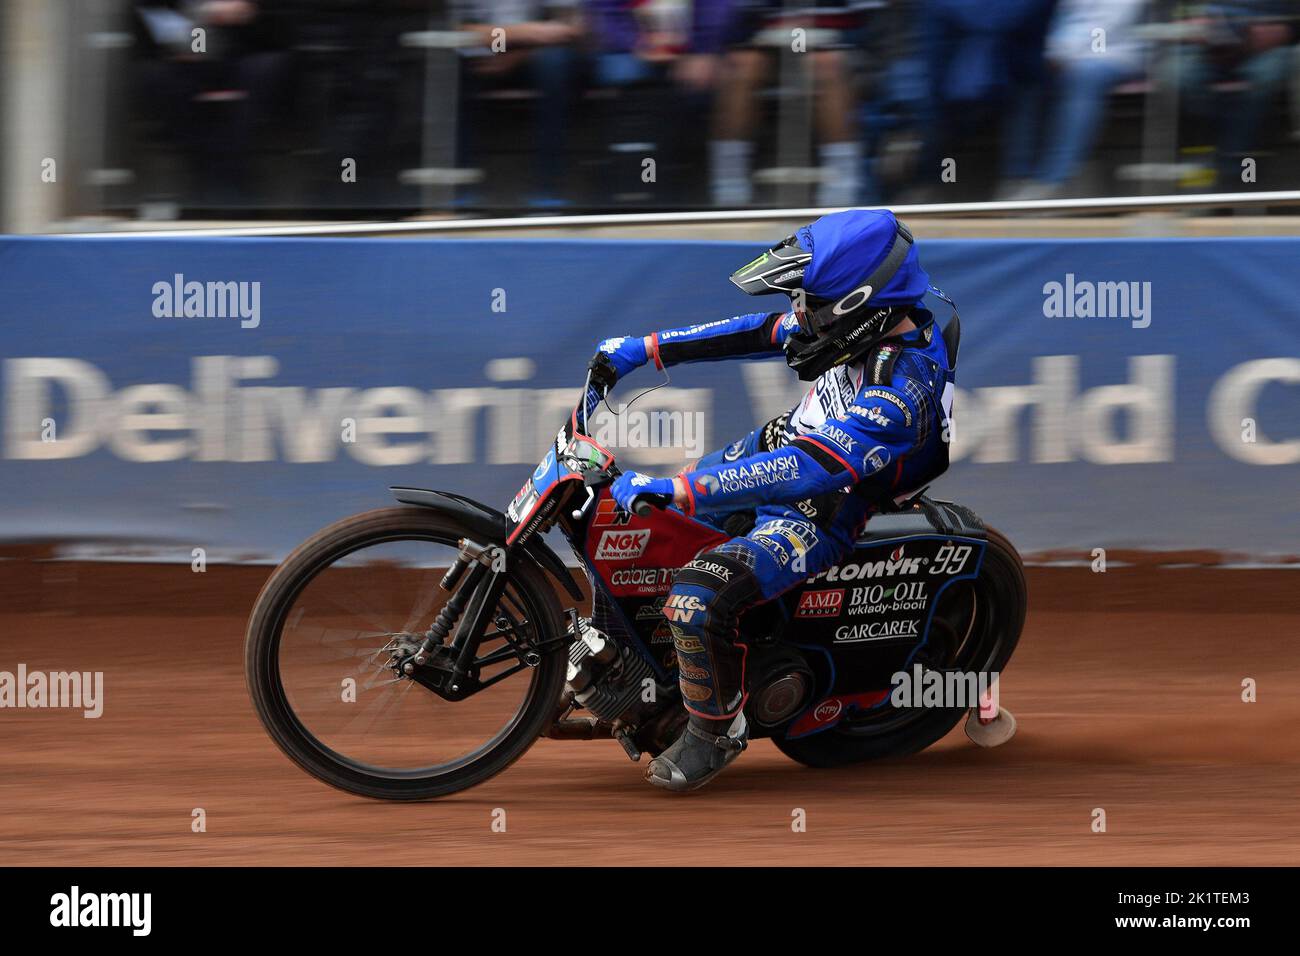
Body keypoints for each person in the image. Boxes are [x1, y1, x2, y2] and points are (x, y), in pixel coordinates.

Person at [592, 208, 958, 791]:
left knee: (694, 595)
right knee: (633, 526)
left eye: (807, 302)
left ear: (858, 304)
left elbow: (811, 469)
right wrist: (647, 349)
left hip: (820, 507)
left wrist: (680, 487)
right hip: (777, 448)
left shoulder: (902, 388)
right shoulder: (855, 320)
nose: (796, 315)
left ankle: (715, 732)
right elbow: (758, 332)